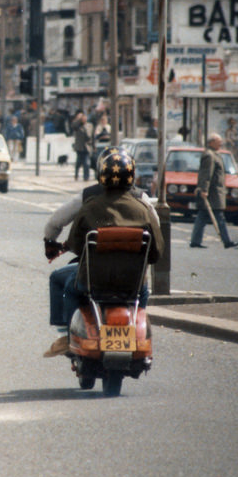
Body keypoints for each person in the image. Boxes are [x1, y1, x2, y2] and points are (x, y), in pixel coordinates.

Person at [43, 149, 164, 357]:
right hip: (132, 282)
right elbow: (156, 249)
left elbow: (75, 243)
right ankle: (137, 332)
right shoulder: (143, 203)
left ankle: (68, 336)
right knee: (143, 292)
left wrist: (55, 245)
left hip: (93, 280)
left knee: (70, 288)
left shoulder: (89, 202)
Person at [189, 133, 238, 249]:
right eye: (218, 141)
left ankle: (195, 241)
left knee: (202, 216)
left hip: (215, 192)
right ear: (211, 142)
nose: (221, 144)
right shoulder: (209, 155)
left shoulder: (214, 154)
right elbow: (206, 174)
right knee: (218, 217)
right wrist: (204, 189)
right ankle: (226, 241)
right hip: (212, 193)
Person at [71, 111, 92, 181]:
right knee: (78, 163)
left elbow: (91, 136)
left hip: (87, 147)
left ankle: (86, 177)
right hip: (79, 147)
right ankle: (76, 175)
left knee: (86, 163)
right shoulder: (77, 126)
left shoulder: (89, 125)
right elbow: (73, 126)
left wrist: (93, 146)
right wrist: (78, 120)